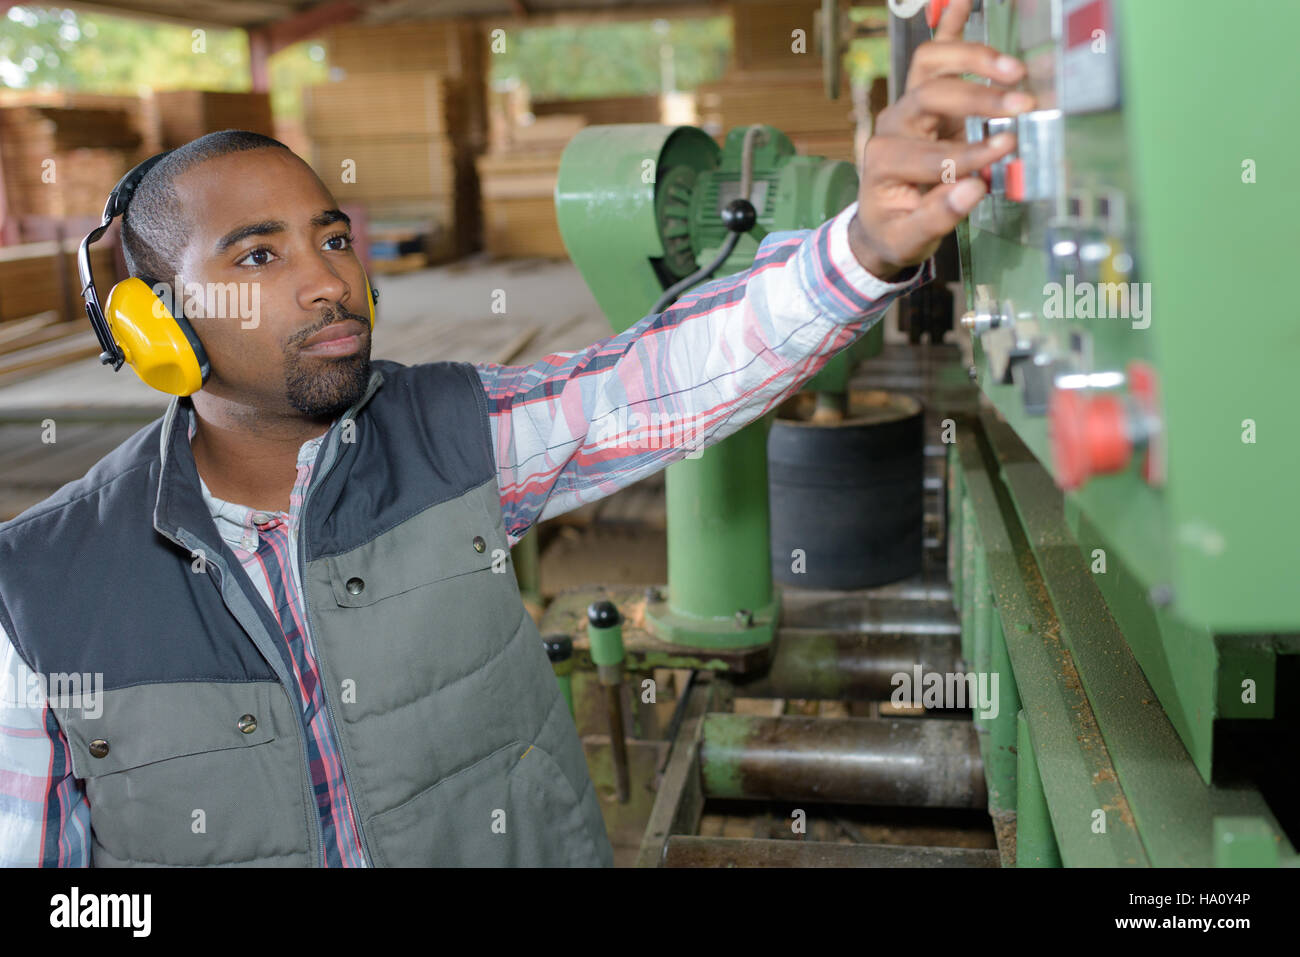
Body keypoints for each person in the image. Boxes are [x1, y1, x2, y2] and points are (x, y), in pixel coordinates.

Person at [0, 0, 1030, 866]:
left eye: (331, 237)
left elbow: (659, 383)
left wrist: (865, 243)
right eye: (257, 259)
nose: (329, 280)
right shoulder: (39, 593)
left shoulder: (451, 435)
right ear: (155, 326)